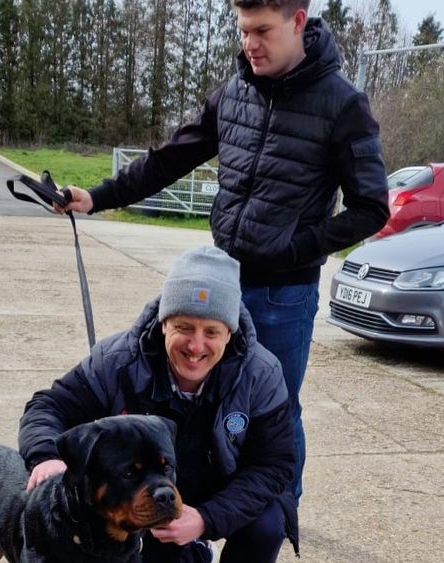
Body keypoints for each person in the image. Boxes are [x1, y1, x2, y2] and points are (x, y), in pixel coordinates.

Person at [56, 0, 390, 501]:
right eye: (243, 31)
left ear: (298, 22)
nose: (250, 44)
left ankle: (276, 514)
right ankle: (189, 510)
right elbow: (171, 158)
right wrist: (99, 197)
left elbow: (371, 208)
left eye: (262, 31)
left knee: (274, 412)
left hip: (284, 295)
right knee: (200, 403)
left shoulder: (342, 105)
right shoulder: (234, 93)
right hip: (219, 287)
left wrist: (294, 248)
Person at [19, 246, 297, 562]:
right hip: (141, 489)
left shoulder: (261, 373)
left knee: (267, 525)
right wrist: (46, 456)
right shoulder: (117, 359)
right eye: (183, 327)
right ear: (164, 322)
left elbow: (274, 463)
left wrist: (207, 518)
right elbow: (49, 405)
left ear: (230, 332)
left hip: (220, 488)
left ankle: (198, 544)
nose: (196, 345)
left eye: (212, 332)